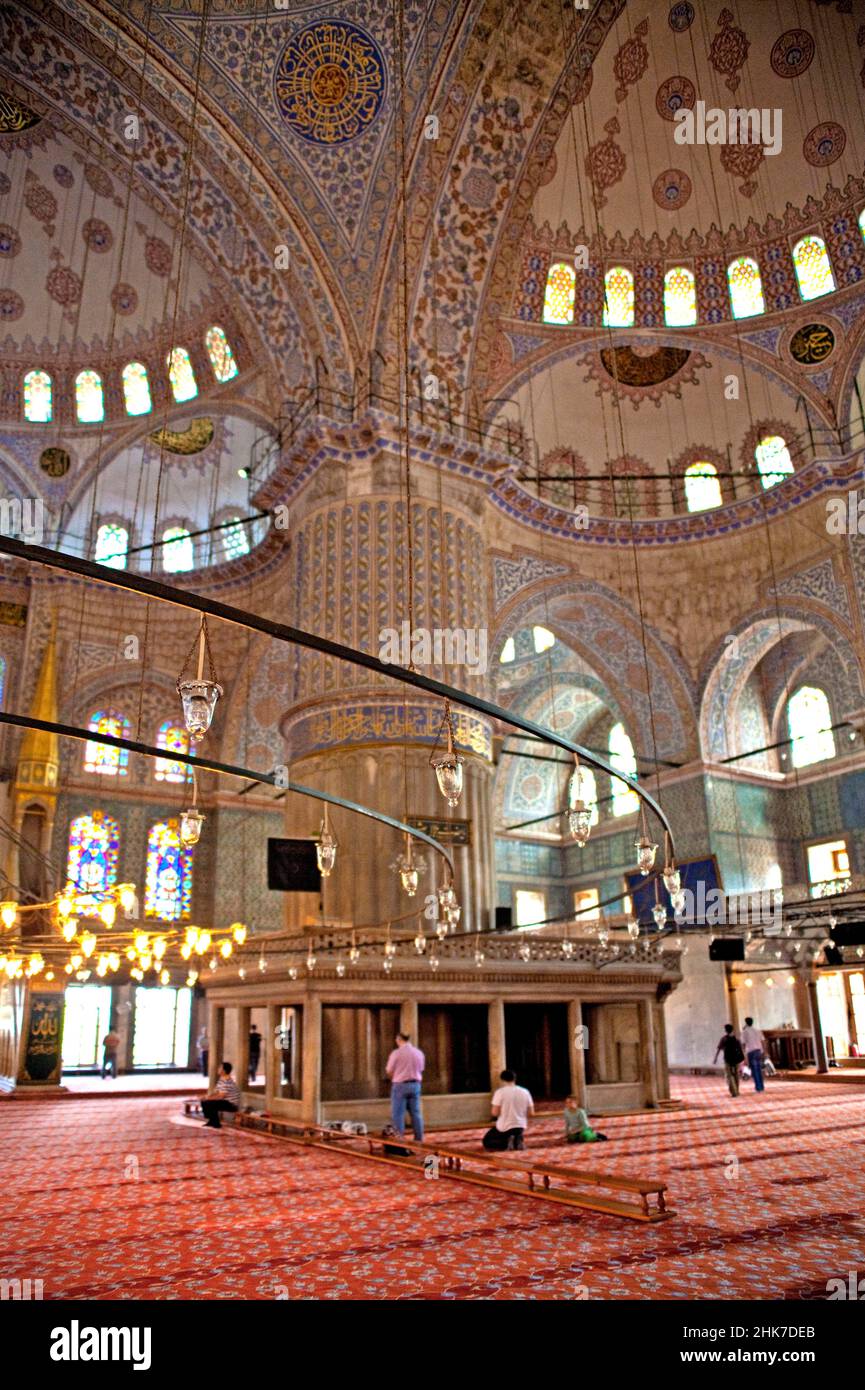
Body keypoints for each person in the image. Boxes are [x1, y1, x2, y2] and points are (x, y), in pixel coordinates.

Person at [385, 1032, 425, 1142]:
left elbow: (389, 1070)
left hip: (400, 1085)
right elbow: (421, 1069)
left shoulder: (396, 1053)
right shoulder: (418, 1053)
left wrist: (396, 1076)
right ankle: (419, 1139)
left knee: (398, 1115)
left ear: (399, 1039)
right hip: (415, 1084)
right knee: (416, 1114)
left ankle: (399, 1141)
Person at [483, 1069, 534, 1151]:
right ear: (515, 1079)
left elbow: (495, 1113)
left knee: (487, 1141)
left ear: (502, 1080)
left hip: (505, 1126)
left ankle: (507, 1142)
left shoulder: (500, 1092)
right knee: (513, 1132)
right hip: (520, 1126)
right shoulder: (525, 1092)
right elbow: (531, 1113)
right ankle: (517, 1139)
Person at [201, 1061, 240, 1129]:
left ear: (224, 1071)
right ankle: (211, 1120)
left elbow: (221, 1096)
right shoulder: (222, 1079)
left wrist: (209, 1098)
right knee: (204, 1101)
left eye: (220, 1068)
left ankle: (216, 1123)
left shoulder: (227, 1081)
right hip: (224, 1101)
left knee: (211, 1104)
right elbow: (216, 1091)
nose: (218, 1069)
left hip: (231, 1104)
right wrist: (207, 1097)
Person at [713, 1023, 745, 1096]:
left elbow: (719, 1049)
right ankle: (737, 1090)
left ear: (726, 1030)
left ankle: (734, 1092)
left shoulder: (724, 1039)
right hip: (735, 1059)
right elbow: (740, 1049)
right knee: (736, 1075)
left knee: (729, 1075)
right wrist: (743, 1058)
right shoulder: (736, 1039)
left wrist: (715, 1058)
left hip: (727, 1059)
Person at [741, 1016, 766, 1093]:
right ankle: (761, 1086)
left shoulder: (745, 1032)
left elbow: (743, 1044)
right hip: (758, 1051)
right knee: (759, 1069)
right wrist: (764, 1051)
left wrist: (744, 1055)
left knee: (754, 1071)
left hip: (751, 1052)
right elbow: (763, 1041)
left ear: (746, 1023)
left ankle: (758, 1088)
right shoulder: (757, 1030)